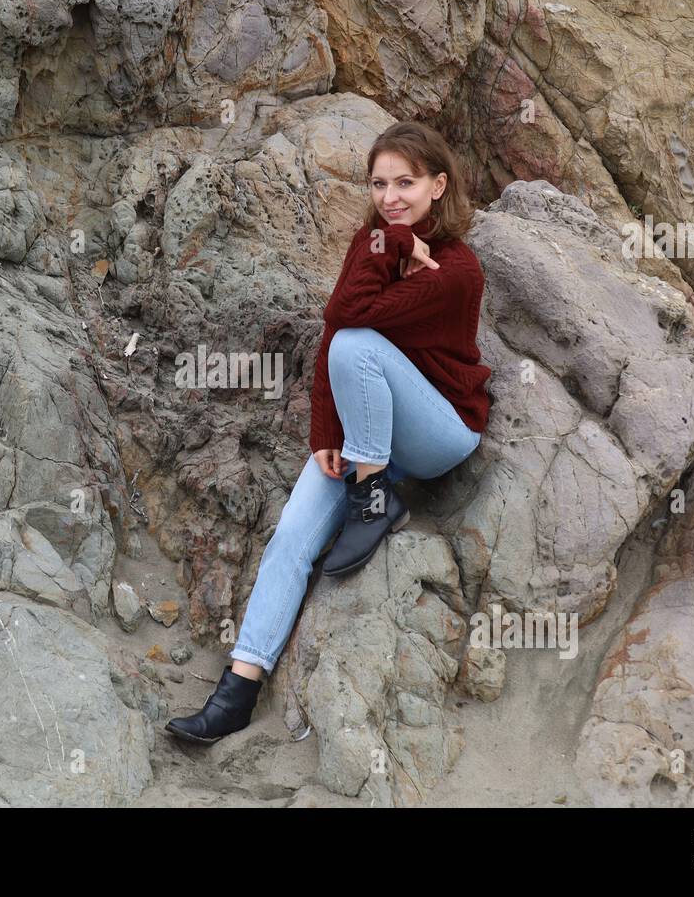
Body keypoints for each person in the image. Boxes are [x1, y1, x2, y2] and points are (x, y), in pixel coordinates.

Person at [165, 121, 492, 744]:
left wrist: (391, 248)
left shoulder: (457, 268)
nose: (391, 196)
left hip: (440, 431)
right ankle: (238, 689)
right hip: (373, 429)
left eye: (406, 183)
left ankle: (372, 497)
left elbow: (351, 321)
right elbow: (330, 339)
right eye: (379, 184)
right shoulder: (375, 245)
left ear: (438, 186)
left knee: (358, 341)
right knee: (291, 535)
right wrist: (323, 429)